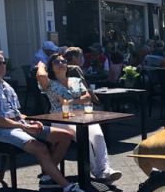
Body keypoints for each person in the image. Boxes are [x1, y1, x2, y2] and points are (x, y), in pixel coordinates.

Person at [0, 51, 91, 192]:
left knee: (65, 136)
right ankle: (68, 188)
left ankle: (48, 177)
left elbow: (17, 113)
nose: (2, 66)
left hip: (17, 124)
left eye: (3, 62)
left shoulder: (5, 85)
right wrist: (25, 127)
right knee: (39, 147)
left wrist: (30, 121)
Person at [36, 55, 121, 183]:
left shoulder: (76, 80)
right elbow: (41, 76)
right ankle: (98, 172)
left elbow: (87, 98)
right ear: (51, 67)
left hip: (83, 116)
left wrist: (68, 101)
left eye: (64, 61)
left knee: (98, 135)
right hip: (61, 119)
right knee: (85, 139)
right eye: (56, 62)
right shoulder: (49, 84)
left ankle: (105, 169)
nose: (61, 63)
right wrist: (41, 66)